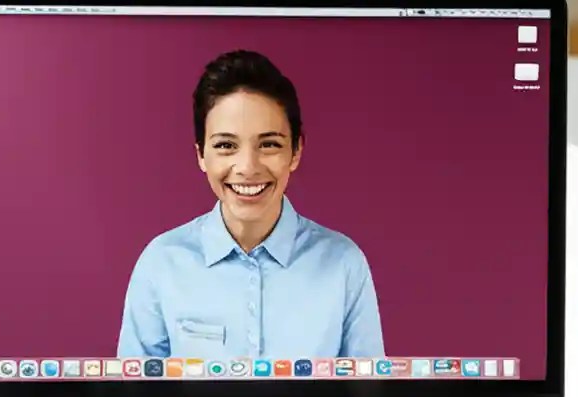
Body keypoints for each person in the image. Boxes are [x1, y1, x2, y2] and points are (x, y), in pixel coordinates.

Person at [117, 49, 384, 360]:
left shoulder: (344, 264)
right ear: (201, 155)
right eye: (226, 145)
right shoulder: (161, 263)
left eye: (269, 144)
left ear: (295, 151)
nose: (247, 167)